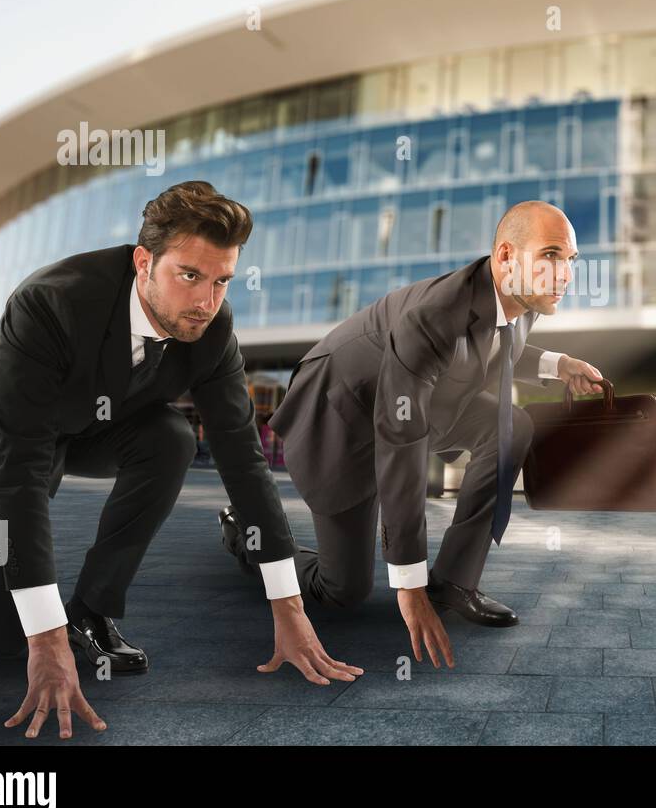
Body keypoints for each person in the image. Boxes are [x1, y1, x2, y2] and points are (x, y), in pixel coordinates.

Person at [0, 180, 361, 740]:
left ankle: (92, 609)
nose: (207, 301)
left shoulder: (212, 329)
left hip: (83, 427)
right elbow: (20, 467)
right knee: (7, 637)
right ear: (143, 262)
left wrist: (289, 605)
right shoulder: (51, 303)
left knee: (172, 437)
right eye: (189, 275)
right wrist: (46, 637)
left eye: (222, 281)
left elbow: (243, 458)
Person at [248, 201, 603, 669]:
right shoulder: (436, 313)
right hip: (341, 415)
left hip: (418, 398)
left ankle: (454, 582)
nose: (564, 275)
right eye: (552, 255)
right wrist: (408, 586)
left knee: (512, 425)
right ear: (506, 256)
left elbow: (494, 345)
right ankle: (248, 540)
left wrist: (560, 365)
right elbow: (401, 442)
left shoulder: (520, 299)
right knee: (342, 590)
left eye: (571, 261)